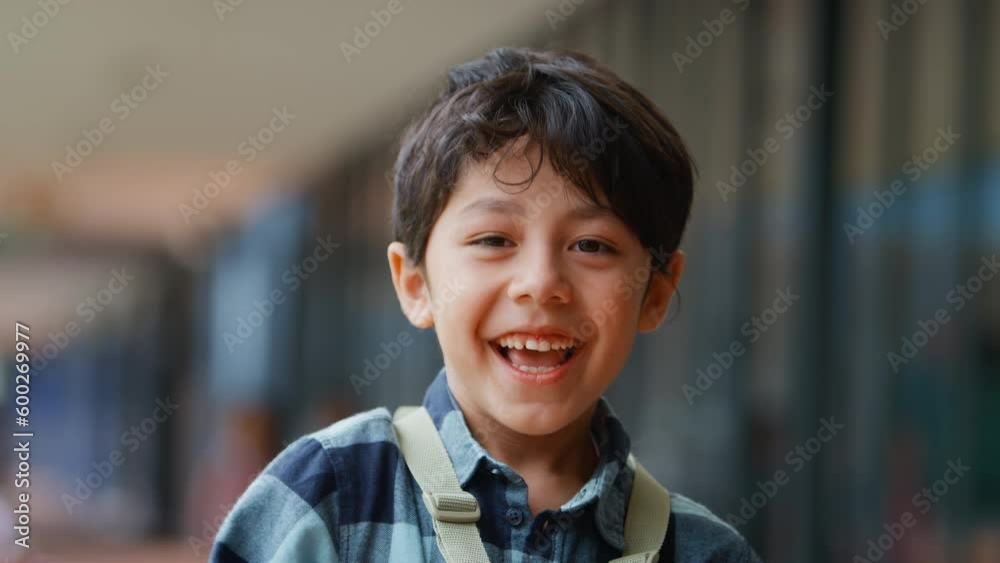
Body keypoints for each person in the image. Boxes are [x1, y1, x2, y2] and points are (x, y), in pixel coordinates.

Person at [211, 47, 762, 562]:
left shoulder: (703, 551)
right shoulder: (327, 497)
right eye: (494, 239)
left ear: (656, 292)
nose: (541, 284)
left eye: (591, 245)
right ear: (415, 284)